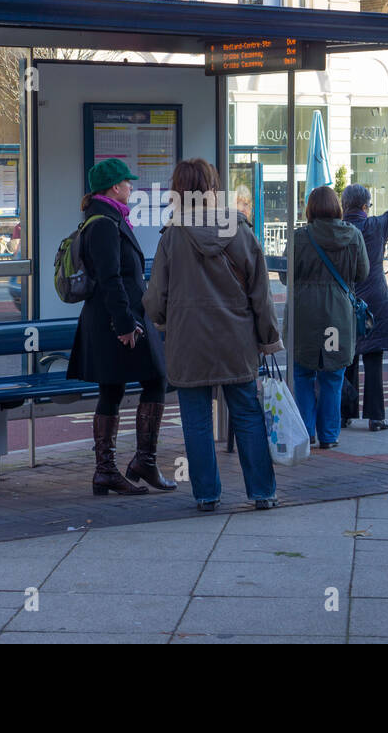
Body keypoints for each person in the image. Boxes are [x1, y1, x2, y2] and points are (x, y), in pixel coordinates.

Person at [144, 158, 283, 511]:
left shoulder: (172, 236)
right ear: (212, 188)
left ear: (178, 189)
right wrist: (268, 338)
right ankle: (262, 492)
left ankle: (207, 494)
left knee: (196, 420)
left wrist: (163, 322)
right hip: (235, 342)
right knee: (248, 415)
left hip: (188, 343)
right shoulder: (240, 230)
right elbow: (260, 293)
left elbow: (155, 296)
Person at [67, 158, 172, 496]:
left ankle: (112, 470)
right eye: (127, 183)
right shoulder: (104, 224)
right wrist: (125, 323)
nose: (131, 187)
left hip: (111, 318)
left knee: (113, 388)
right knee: (155, 378)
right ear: (114, 187)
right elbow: (111, 278)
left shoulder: (106, 219)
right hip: (116, 319)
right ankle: (133, 463)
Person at [282, 186, 368, 449]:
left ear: (310, 209)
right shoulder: (353, 235)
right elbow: (362, 273)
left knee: (303, 373)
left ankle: (307, 432)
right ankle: (329, 435)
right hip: (338, 316)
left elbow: (286, 276)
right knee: (333, 376)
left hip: (304, 315)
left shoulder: (300, 237)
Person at [341, 176, 388, 431]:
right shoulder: (376, 226)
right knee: (373, 358)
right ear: (365, 207)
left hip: (343, 302)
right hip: (374, 301)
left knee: (345, 359)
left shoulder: (338, 230)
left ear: (344, 206)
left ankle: (343, 413)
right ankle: (375, 417)